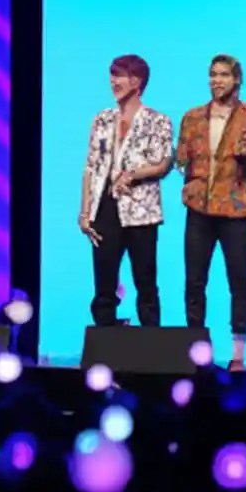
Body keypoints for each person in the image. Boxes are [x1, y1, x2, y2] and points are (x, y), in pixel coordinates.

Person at [177, 54, 246, 370]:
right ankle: (196, 352)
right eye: (213, 75)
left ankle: (238, 355)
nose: (217, 81)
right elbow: (181, 158)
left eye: (224, 75)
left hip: (235, 210)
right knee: (194, 281)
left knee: (238, 280)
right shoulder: (193, 117)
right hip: (199, 208)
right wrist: (189, 179)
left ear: (237, 79)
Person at [78, 54, 174, 327]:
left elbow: (162, 163)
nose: (113, 81)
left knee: (145, 280)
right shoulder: (102, 119)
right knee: (104, 280)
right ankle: (105, 335)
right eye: (112, 75)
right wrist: (85, 213)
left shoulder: (157, 120)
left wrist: (131, 175)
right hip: (105, 207)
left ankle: (152, 341)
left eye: (120, 75)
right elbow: (91, 167)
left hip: (141, 210)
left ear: (137, 81)